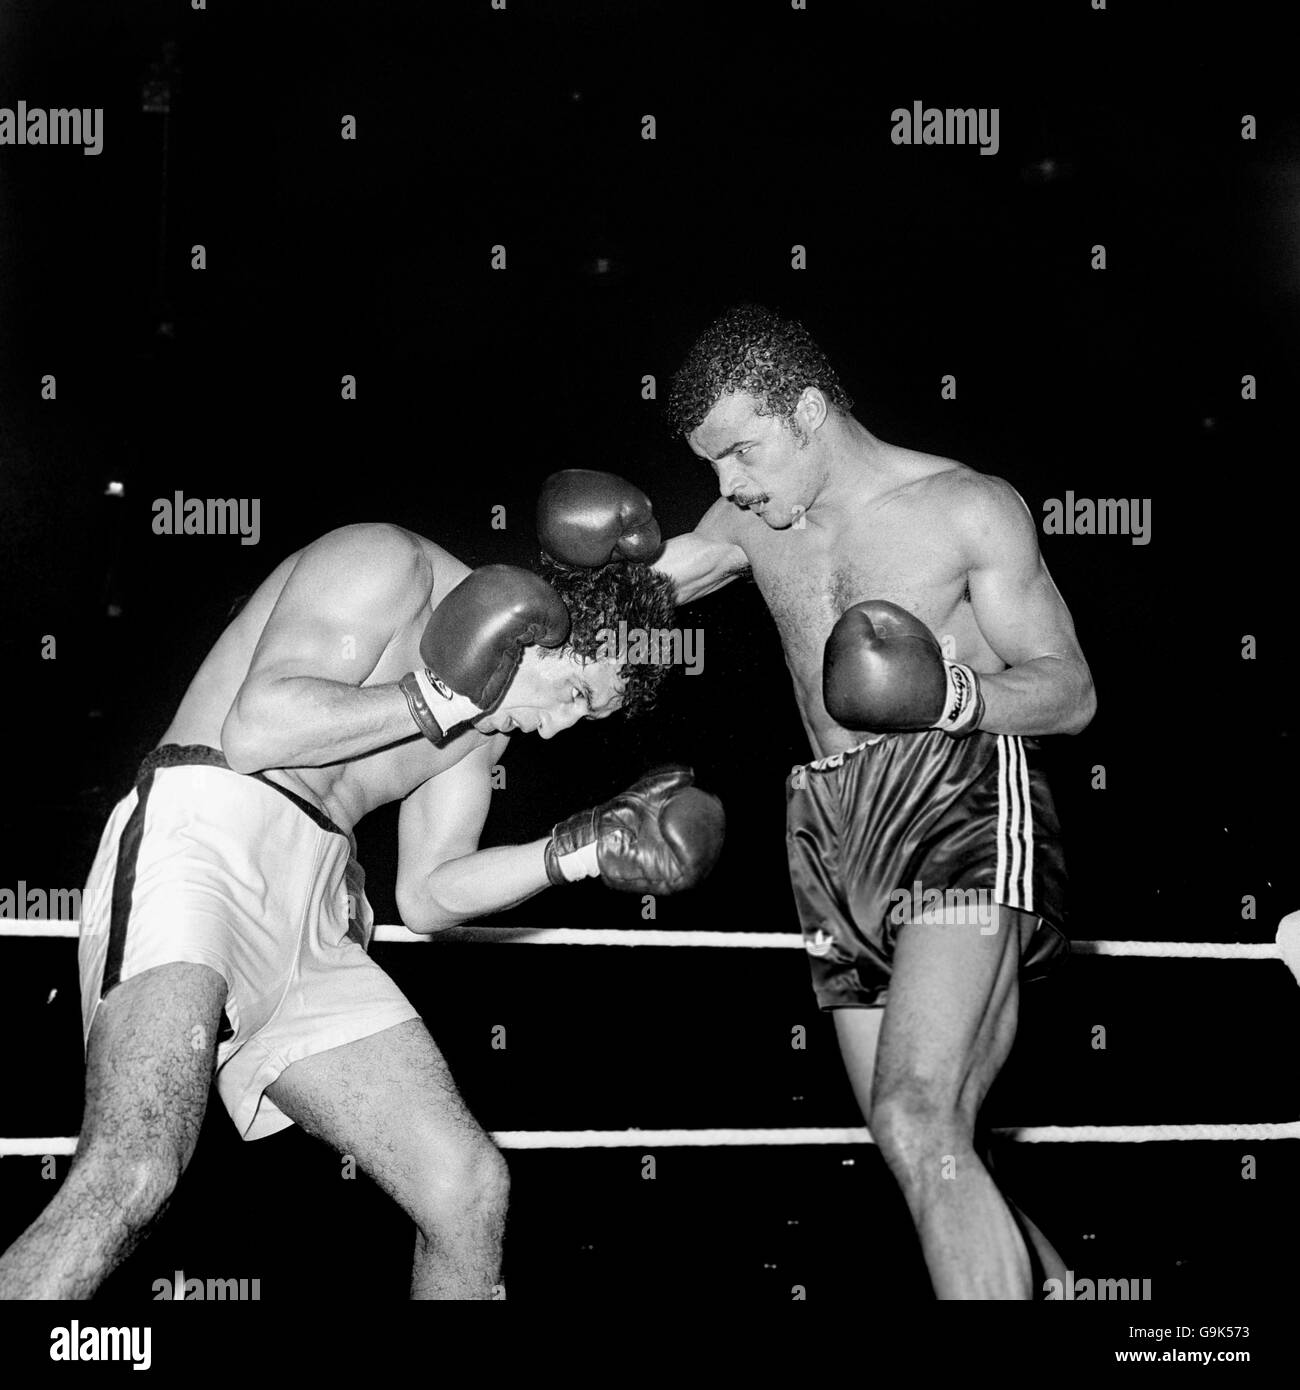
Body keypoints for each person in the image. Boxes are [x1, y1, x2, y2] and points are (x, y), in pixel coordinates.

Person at [0, 521, 723, 1300]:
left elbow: (428, 894)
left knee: (465, 1188)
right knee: (136, 1169)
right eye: (575, 694)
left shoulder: (487, 724)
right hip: (208, 833)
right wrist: (442, 696)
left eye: (585, 717)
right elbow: (257, 731)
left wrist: (570, 854)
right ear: (539, 626)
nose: (555, 727)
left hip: (318, 904)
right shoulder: (388, 563)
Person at [650, 303, 1095, 1299]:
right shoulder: (744, 519)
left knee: (916, 1114)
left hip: (956, 792)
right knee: (912, 1143)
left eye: (741, 453)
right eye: (710, 465)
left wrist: (955, 696)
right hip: (829, 822)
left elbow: (1070, 691)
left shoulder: (965, 506)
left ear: (806, 410)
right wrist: (527, 597)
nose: (727, 485)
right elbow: (624, 603)